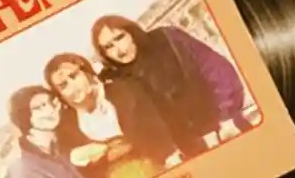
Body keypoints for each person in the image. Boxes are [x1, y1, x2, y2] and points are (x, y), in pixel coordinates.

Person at [90, 15, 251, 158]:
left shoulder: (168, 39)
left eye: (120, 37)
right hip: (189, 155)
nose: (119, 50)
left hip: (226, 130)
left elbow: (216, 70)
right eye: (109, 47)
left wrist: (227, 118)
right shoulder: (113, 81)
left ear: (131, 33)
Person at [42, 52, 180, 178]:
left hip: (161, 171)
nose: (73, 87)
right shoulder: (66, 129)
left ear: (86, 72)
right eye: (63, 86)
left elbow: (158, 130)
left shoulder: (125, 90)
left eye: (74, 76)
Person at [1, 85, 99, 178]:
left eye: (51, 103)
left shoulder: (56, 151)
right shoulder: (25, 172)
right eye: (39, 107)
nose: (50, 110)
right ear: (24, 116)